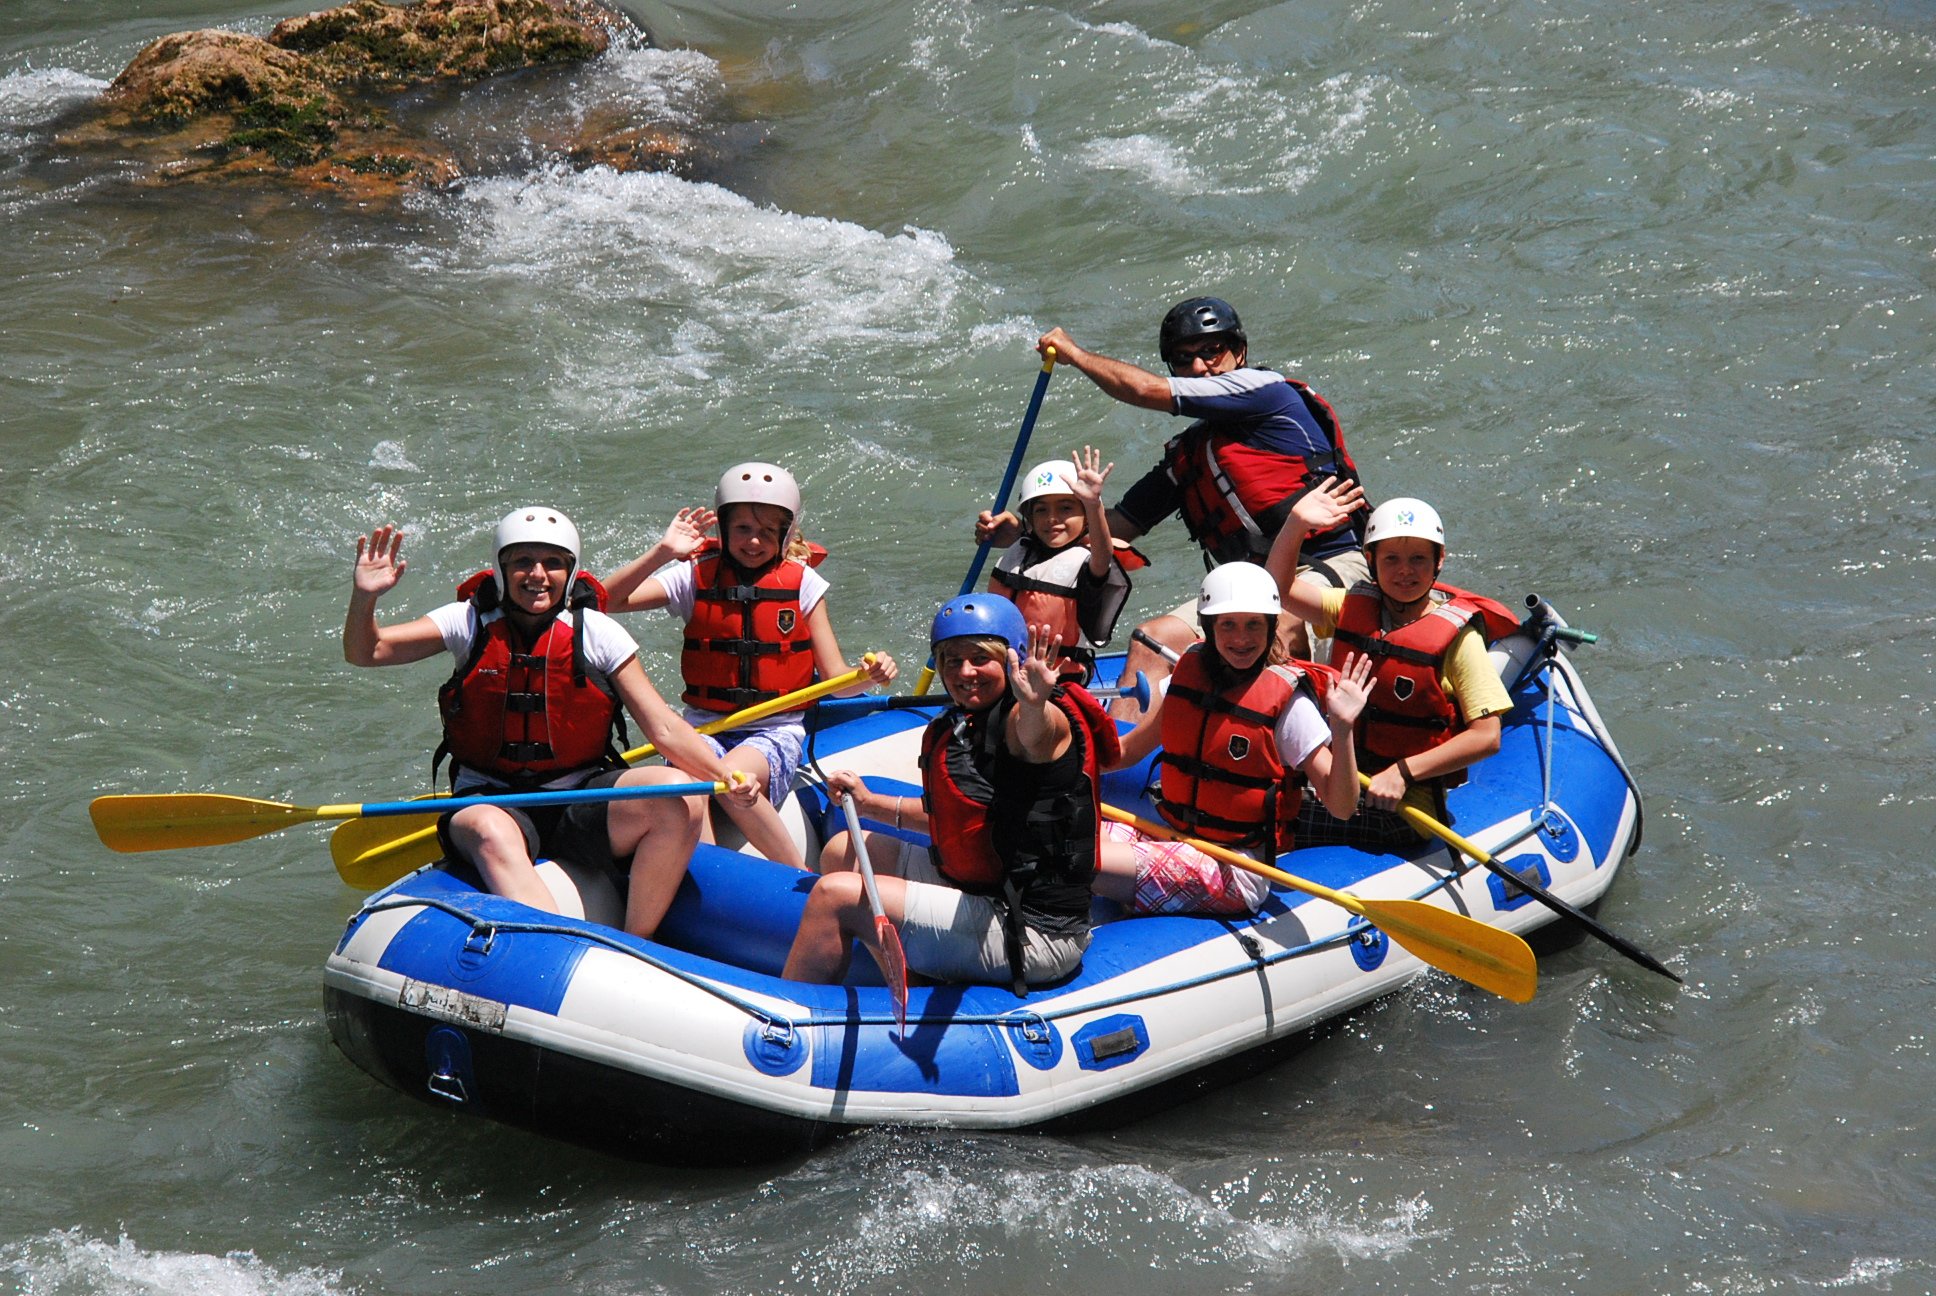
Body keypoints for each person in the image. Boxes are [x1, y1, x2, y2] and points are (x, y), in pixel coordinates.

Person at [343, 507, 759, 940]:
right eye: (523, 561)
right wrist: (365, 597)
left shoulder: (597, 631)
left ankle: (639, 940)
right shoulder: (467, 622)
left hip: (578, 795)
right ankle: (561, 945)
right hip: (490, 798)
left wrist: (724, 775)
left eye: (553, 563)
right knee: (489, 832)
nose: (538, 575)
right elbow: (366, 652)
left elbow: (665, 728)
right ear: (501, 569)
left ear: (571, 570)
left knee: (681, 796)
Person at [980, 297, 1369, 715]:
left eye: (1212, 351)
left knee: (1261, 631)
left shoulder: (1267, 393)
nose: (1200, 367)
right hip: (1247, 586)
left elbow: (1146, 390)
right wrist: (1028, 532)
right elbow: (1112, 529)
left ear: (1239, 352)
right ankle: (1117, 755)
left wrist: (1074, 354)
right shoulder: (1189, 456)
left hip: (1329, 567)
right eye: (1184, 359)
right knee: (1149, 641)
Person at [781, 596, 1119, 994]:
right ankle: (914, 986)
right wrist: (868, 802)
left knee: (833, 896)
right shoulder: (971, 721)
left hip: (1033, 931)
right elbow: (963, 821)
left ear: (1012, 660)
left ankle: (788, 1015)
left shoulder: (1030, 719)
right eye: (952, 660)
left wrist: (1035, 704)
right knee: (844, 851)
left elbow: (1035, 735)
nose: (965, 671)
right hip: (983, 890)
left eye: (980, 658)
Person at [602, 463, 897, 867]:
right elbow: (605, 601)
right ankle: (706, 877)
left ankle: (798, 874)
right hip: (703, 727)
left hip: (773, 730)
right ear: (723, 528)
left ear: (786, 534)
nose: (754, 540)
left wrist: (868, 676)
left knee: (728, 778)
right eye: (742, 528)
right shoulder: (693, 577)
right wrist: (663, 553)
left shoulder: (804, 584)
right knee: (689, 794)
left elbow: (835, 680)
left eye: (767, 531)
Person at [1092, 562, 1372, 916]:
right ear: (1209, 627)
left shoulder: (1289, 706)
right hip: (1170, 833)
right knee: (1065, 834)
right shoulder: (1187, 678)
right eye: (1228, 625)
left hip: (1235, 868)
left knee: (1080, 858)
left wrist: (1342, 730)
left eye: (1253, 624)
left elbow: (1342, 806)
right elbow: (1126, 752)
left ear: (1271, 627)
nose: (1241, 638)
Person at [1266, 481, 1513, 852]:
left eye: (1418, 559)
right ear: (1371, 560)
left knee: (1269, 815)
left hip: (1404, 808)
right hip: (1341, 781)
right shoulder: (1350, 607)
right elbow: (1279, 590)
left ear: (1439, 561)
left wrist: (1402, 772)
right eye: (1391, 559)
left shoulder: (1459, 639)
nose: (1404, 571)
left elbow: (1487, 736)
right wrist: (1296, 524)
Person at [984, 446, 1142, 682]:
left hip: (1058, 679)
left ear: (1086, 517)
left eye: (1066, 508)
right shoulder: (1021, 548)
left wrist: (1093, 504)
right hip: (1005, 670)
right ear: (1030, 518)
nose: (1052, 518)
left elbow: (1103, 555)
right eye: (1041, 510)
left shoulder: (1091, 563)